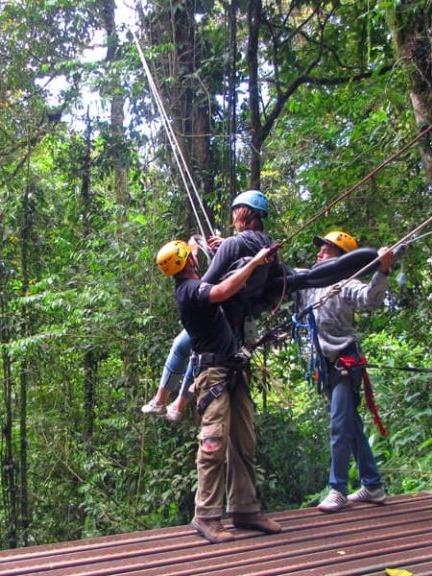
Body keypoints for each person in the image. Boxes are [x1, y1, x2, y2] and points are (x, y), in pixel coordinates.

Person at [155, 237, 282, 543]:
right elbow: (224, 290)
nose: (196, 260)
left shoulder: (190, 280)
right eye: (191, 258)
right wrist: (253, 262)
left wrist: (196, 245)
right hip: (213, 375)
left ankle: (245, 508)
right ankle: (206, 515)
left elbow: (198, 260)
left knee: (244, 439)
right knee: (213, 443)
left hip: (232, 368)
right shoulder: (189, 291)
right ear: (188, 265)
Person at [142, 190, 278, 422]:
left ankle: (164, 400)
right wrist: (219, 246)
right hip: (237, 317)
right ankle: (174, 404)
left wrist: (223, 248)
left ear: (243, 213)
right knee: (192, 349)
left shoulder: (235, 245)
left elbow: (214, 284)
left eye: (236, 213)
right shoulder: (265, 245)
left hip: (221, 314)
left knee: (185, 346)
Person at [293, 230, 394, 513]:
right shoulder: (310, 281)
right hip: (325, 365)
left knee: (340, 424)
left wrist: (383, 270)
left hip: (345, 362)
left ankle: (337, 488)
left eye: (325, 250)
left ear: (340, 256)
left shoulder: (347, 284)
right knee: (351, 424)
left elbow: (370, 299)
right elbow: (285, 277)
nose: (319, 254)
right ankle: (373, 485)